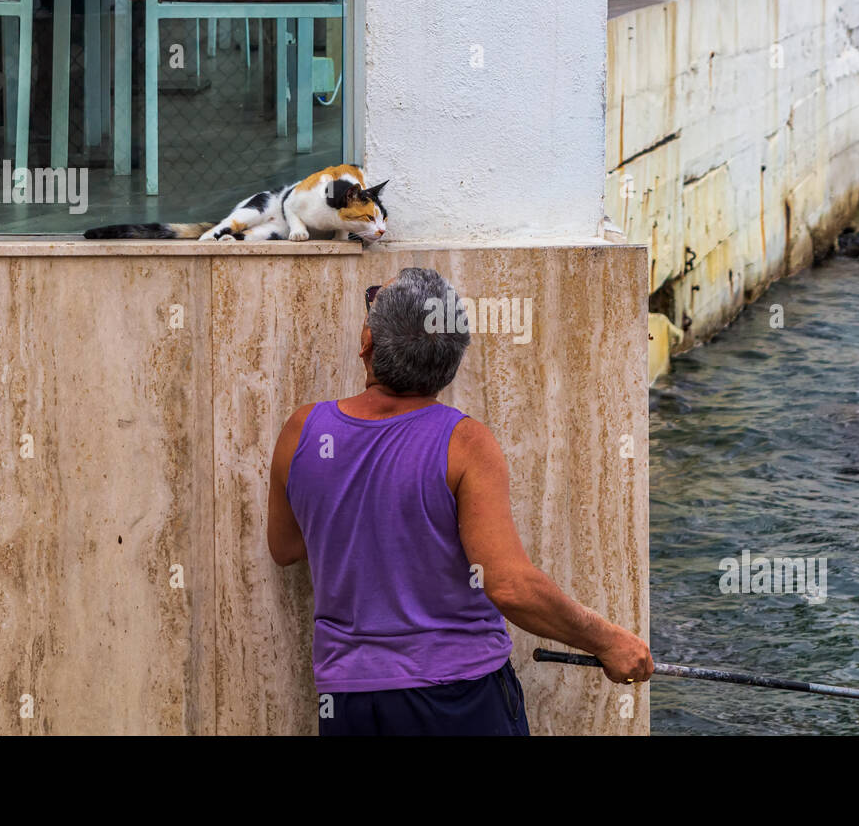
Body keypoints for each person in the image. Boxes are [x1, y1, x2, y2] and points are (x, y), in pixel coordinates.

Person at [267, 267, 653, 736]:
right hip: (459, 699)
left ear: (367, 343)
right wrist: (610, 641)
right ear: (449, 365)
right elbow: (509, 585)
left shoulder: (303, 430)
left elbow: (285, 548)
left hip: (350, 700)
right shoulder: (464, 443)